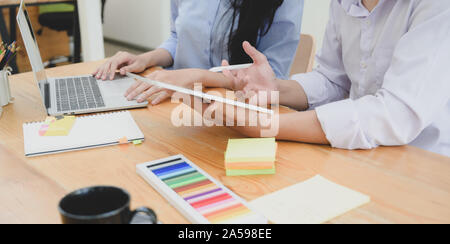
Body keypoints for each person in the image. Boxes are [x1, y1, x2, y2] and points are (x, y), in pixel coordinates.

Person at [212, 0, 450, 157]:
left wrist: (264, 125)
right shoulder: (343, 3)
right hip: (359, 154)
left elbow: (396, 113)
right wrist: (275, 89)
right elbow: (333, 79)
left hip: (425, 166)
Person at [93, 0, 303, 104]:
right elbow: (177, 37)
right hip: (177, 101)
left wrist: (199, 77)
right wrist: (144, 58)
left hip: (237, 108)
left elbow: (272, 74)